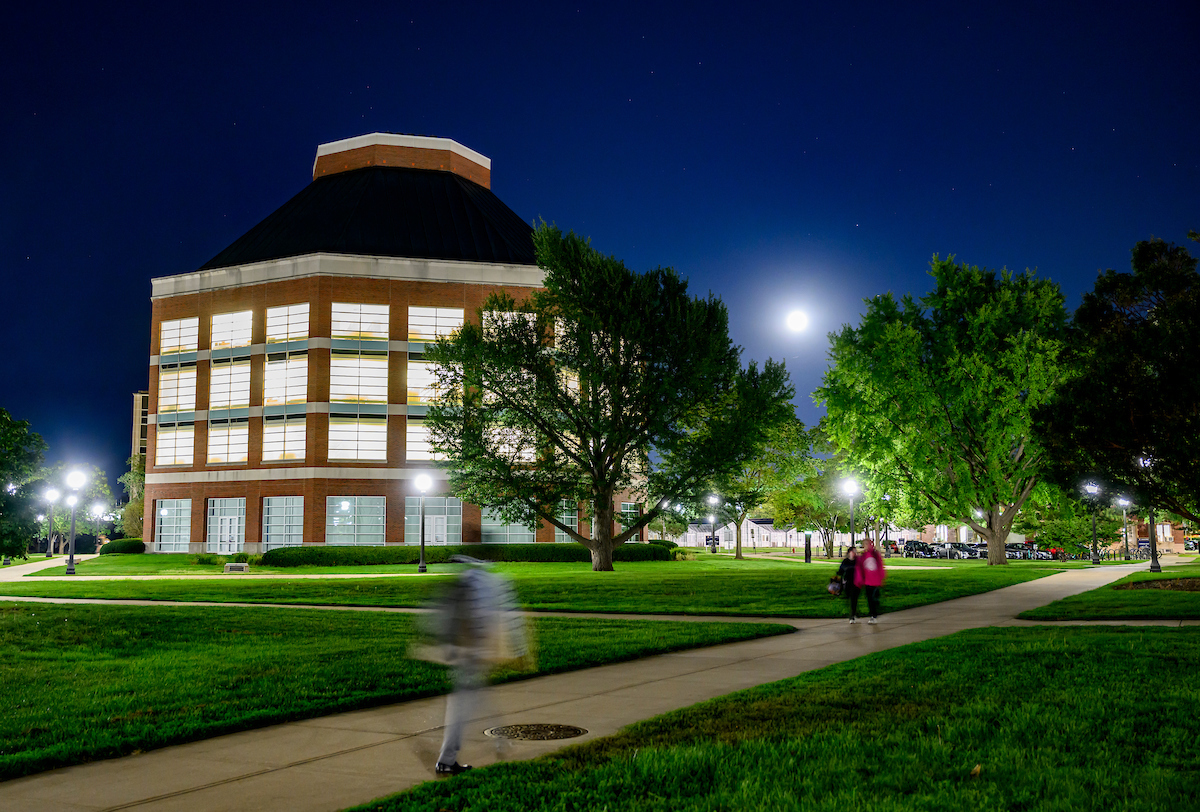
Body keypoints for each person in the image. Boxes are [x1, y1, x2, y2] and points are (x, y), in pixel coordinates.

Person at [431, 556, 528, 775]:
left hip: (464, 650)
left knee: (477, 697)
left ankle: (500, 743)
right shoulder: (494, 581)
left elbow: (445, 615)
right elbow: (510, 616)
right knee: (465, 703)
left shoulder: (465, 579)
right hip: (479, 651)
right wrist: (520, 651)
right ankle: (447, 760)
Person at [855, 537, 887, 624]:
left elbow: (880, 566)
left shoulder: (875, 555)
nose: (866, 546)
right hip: (867, 581)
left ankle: (874, 614)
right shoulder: (863, 556)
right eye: (864, 545)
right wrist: (860, 579)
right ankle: (873, 615)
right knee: (869, 598)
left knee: (874, 598)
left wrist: (882, 577)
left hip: (876, 581)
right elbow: (860, 568)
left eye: (867, 544)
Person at [837, 546, 860, 623]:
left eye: (855, 551)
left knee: (854, 599)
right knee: (851, 599)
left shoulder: (857, 561)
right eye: (853, 551)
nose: (854, 553)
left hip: (856, 583)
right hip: (847, 583)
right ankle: (854, 613)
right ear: (849, 552)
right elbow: (840, 571)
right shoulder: (845, 561)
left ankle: (852, 616)